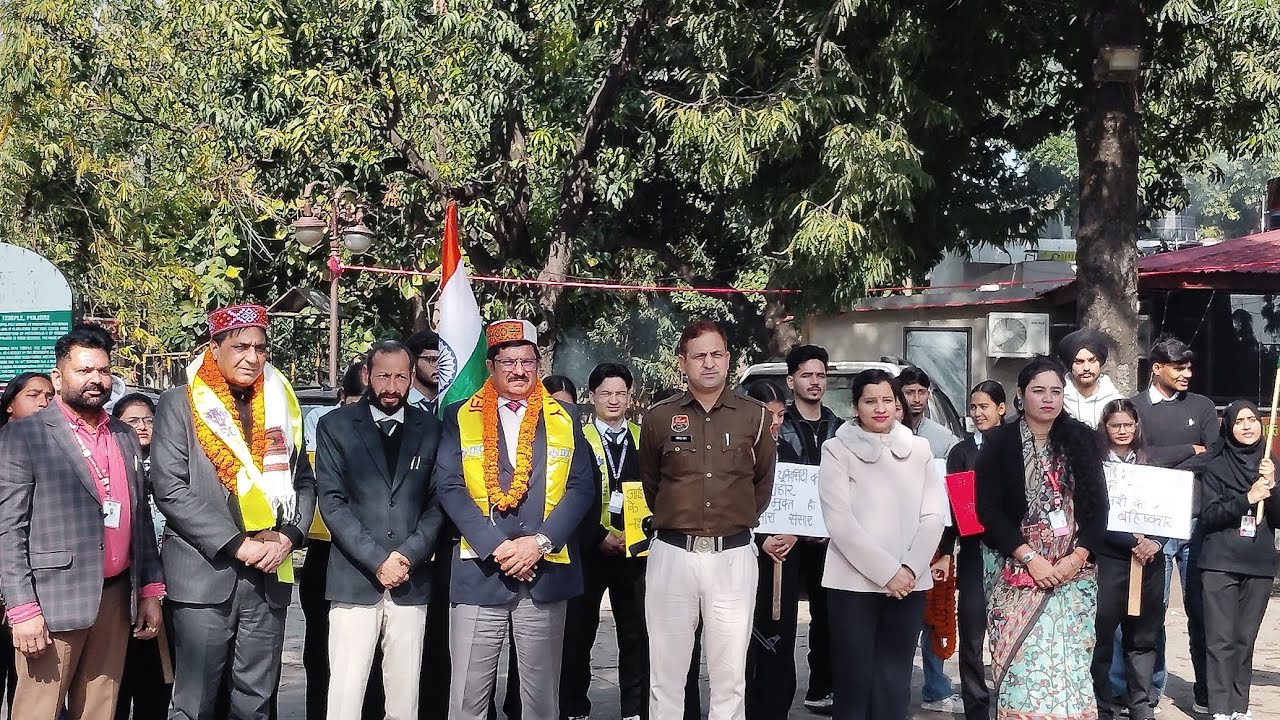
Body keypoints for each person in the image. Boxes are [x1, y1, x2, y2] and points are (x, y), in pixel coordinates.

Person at [151, 304, 316, 720]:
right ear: (215, 346)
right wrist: (237, 544)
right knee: (195, 702)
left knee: (257, 701)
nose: (252, 357)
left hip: (269, 575)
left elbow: (305, 482)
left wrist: (288, 537)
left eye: (260, 348)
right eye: (240, 346)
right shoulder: (180, 404)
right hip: (204, 577)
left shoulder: (281, 403)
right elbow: (170, 490)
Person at [434, 319, 597, 720]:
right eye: (508, 361)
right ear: (491, 367)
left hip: (544, 572)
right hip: (480, 573)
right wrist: (498, 547)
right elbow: (449, 487)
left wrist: (537, 544)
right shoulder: (459, 416)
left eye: (527, 360)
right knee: (467, 700)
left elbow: (581, 489)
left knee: (541, 703)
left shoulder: (566, 417)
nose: (519, 370)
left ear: (538, 364)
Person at [0, 324, 165, 720]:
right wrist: (22, 609)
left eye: (104, 371)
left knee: (100, 710)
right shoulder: (25, 436)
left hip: (116, 595)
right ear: (58, 377)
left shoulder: (124, 434)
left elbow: (139, 516)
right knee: (37, 711)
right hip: (52, 601)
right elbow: (8, 529)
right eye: (85, 370)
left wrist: (150, 589)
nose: (96, 380)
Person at [639, 319, 777, 720]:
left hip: (732, 555)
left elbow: (762, 481)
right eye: (699, 356)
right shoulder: (659, 417)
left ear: (729, 359)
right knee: (666, 676)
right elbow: (651, 482)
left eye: (717, 354)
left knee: (729, 676)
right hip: (672, 555)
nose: (709, 363)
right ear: (683, 362)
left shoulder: (754, 416)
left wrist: (734, 518)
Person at [316, 340, 444, 720]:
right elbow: (332, 503)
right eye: (383, 375)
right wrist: (377, 560)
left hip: (412, 577)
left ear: (410, 378)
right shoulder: (334, 426)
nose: (391, 386)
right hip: (354, 578)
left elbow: (438, 503)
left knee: (405, 698)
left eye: (400, 376)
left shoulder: (432, 429)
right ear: (367, 375)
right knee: (345, 694)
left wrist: (406, 555)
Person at [975, 355, 1108, 719]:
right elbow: (988, 513)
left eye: (1056, 391)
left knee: (1071, 667)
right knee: (1021, 666)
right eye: (1038, 391)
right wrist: (1031, 558)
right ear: (1020, 396)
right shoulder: (999, 442)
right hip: (1015, 573)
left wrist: (1075, 558)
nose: (1048, 398)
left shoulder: (1081, 440)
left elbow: (1098, 512)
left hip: (1073, 577)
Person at [818, 369, 946, 720]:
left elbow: (934, 515)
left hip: (909, 585)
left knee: (894, 682)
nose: (880, 408)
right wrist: (888, 572)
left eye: (887, 400)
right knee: (853, 681)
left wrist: (908, 570)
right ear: (855, 405)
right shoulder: (836, 449)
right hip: (852, 586)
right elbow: (840, 522)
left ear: (897, 404)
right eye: (870, 401)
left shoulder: (919, 449)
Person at [556, 363, 649, 720]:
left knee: (636, 633)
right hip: (589, 550)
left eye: (620, 393)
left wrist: (637, 533)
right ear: (591, 397)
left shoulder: (644, 437)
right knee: (578, 633)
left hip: (635, 548)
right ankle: (575, 707)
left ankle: (635, 709)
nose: (613, 400)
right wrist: (599, 536)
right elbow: (567, 494)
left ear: (630, 396)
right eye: (605, 393)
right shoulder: (576, 439)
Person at [1130, 336, 1218, 712]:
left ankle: (1205, 688)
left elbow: (1214, 454)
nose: (1187, 374)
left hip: (1197, 520)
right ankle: (1151, 687)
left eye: (1189, 367)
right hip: (1154, 524)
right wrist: (1187, 451)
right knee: (1153, 610)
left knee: (1202, 610)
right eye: (1179, 367)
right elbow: (1137, 456)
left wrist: (1161, 463)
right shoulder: (1134, 407)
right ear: (1157, 368)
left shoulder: (1202, 406)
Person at [300, 362, 387, 720]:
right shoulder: (321, 438)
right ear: (341, 399)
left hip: (379, 557)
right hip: (327, 554)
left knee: (377, 660)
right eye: (356, 404)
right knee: (322, 654)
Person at [1196, 401, 1279, 720]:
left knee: (1245, 641)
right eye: (1239, 421)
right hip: (1220, 563)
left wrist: (1272, 486)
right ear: (1228, 428)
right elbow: (1210, 516)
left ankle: (1239, 707)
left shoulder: (1269, 463)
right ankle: (1220, 707)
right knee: (1221, 639)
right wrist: (1247, 498)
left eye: (1252, 420)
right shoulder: (1215, 466)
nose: (1247, 426)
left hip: (1258, 564)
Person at [1091, 399, 1165, 720]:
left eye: (1128, 425)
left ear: (1137, 427)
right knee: (1102, 635)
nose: (1122, 431)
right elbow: (1091, 514)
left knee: (1144, 637)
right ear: (1105, 428)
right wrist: (1131, 540)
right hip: (1110, 560)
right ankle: (1101, 703)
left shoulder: (1152, 463)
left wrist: (1155, 541)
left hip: (1149, 561)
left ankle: (1141, 704)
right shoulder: (1094, 466)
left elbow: (1169, 511)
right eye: (1115, 425)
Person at [776, 345, 840, 715]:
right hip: (784, 539)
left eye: (820, 375)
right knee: (779, 618)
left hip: (830, 536)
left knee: (828, 615)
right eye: (806, 375)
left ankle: (821, 688)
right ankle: (774, 693)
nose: (814, 382)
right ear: (791, 380)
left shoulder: (840, 426)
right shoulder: (778, 425)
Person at [896, 366, 961, 715]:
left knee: (936, 618)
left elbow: (952, 496)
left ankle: (936, 689)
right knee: (899, 618)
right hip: (894, 541)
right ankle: (895, 690)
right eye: (908, 392)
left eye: (921, 392)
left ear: (929, 395)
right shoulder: (887, 433)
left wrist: (948, 548)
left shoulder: (944, 440)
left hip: (936, 540)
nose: (915, 399)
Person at [940, 380, 1006, 720]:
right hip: (973, 549)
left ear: (1002, 408)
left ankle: (1011, 700)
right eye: (974, 407)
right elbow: (954, 506)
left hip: (1014, 553)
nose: (978, 413)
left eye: (985, 407)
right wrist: (945, 550)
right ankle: (976, 708)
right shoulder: (961, 452)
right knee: (972, 633)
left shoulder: (1018, 446)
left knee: (1011, 632)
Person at [110, 394, 174, 720]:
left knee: (156, 685)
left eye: (148, 420)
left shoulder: (171, 462)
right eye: (133, 421)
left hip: (164, 589)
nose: (142, 427)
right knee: (115, 686)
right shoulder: (111, 464)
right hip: (121, 590)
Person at [740, 380, 802, 720]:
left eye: (780, 414)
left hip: (786, 556)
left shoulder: (789, 453)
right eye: (768, 414)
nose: (775, 421)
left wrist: (794, 533)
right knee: (747, 635)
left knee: (782, 632)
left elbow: (804, 503)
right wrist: (761, 539)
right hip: (747, 554)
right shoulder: (736, 454)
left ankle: (777, 706)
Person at [0, 371, 53, 716]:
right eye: (33, 395)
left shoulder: (57, 452)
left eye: (49, 395)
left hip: (32, 591)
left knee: (29, 687)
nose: (43, 402)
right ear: (9, 406)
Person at [1058, 328, 1124, 428]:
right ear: (1069, 364)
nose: (1086, 368)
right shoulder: (1058, 400)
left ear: (1100, 362)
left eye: (1092, 360)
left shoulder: (1117, 402)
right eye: (1079, 362)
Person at [406, 329, 442, 415]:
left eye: (443, 360)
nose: (439, 365)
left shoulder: (449, 400)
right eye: (432, 359)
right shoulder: (400, 402)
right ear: (412, 362)